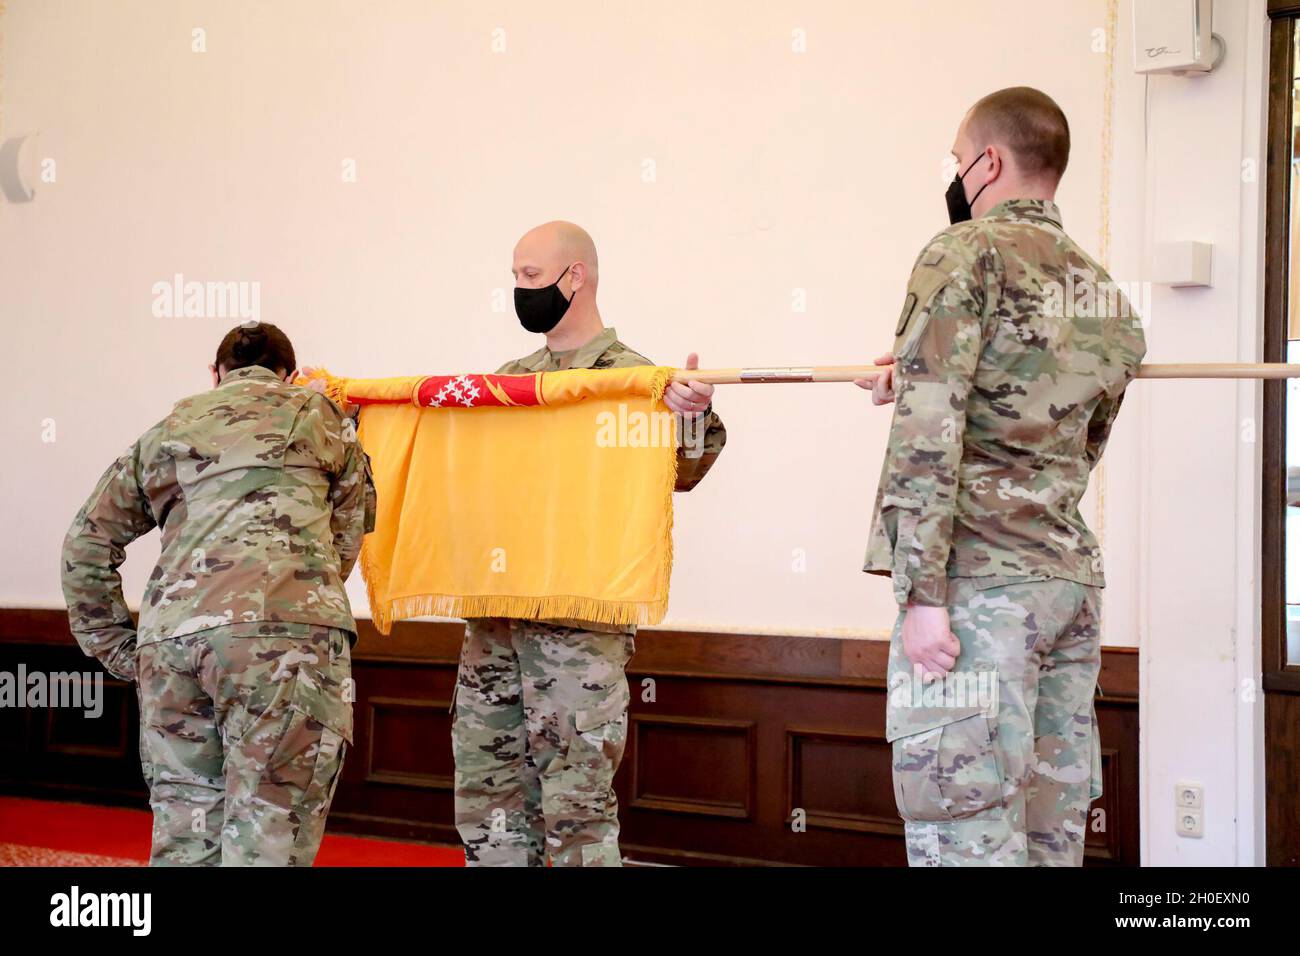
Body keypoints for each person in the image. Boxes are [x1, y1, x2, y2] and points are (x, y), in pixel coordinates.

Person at [860, 87, 1147, 866]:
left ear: (988, 161)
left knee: (964, 837)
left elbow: (929, 436)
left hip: (978, 588)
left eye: (958, 161)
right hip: (1066, 585)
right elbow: (1080, 444)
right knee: (1049, 832)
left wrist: (921, 595)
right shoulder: (1109, 299)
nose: (956, 176)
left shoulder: (963, 252)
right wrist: (921, 366)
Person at [453, 220, 726, 866]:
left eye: (529, 277)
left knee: (576, 813)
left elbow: (682, 471)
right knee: (488, 804)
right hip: (495, 626)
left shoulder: (635, 379)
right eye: (515, 277)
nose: (519, 291)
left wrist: (689, 416)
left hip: (578, 633)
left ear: (573, 277)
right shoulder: (510, 379)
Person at [60, 322, 375, 866]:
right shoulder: (325, 421)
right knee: (271, 827)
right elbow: (343, 540)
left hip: (173, 647)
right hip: (288, 647)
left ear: (215, 374)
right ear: (293, 375)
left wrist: (116, 647)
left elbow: (86, 541)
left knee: (186, 828)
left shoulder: (167, 431)